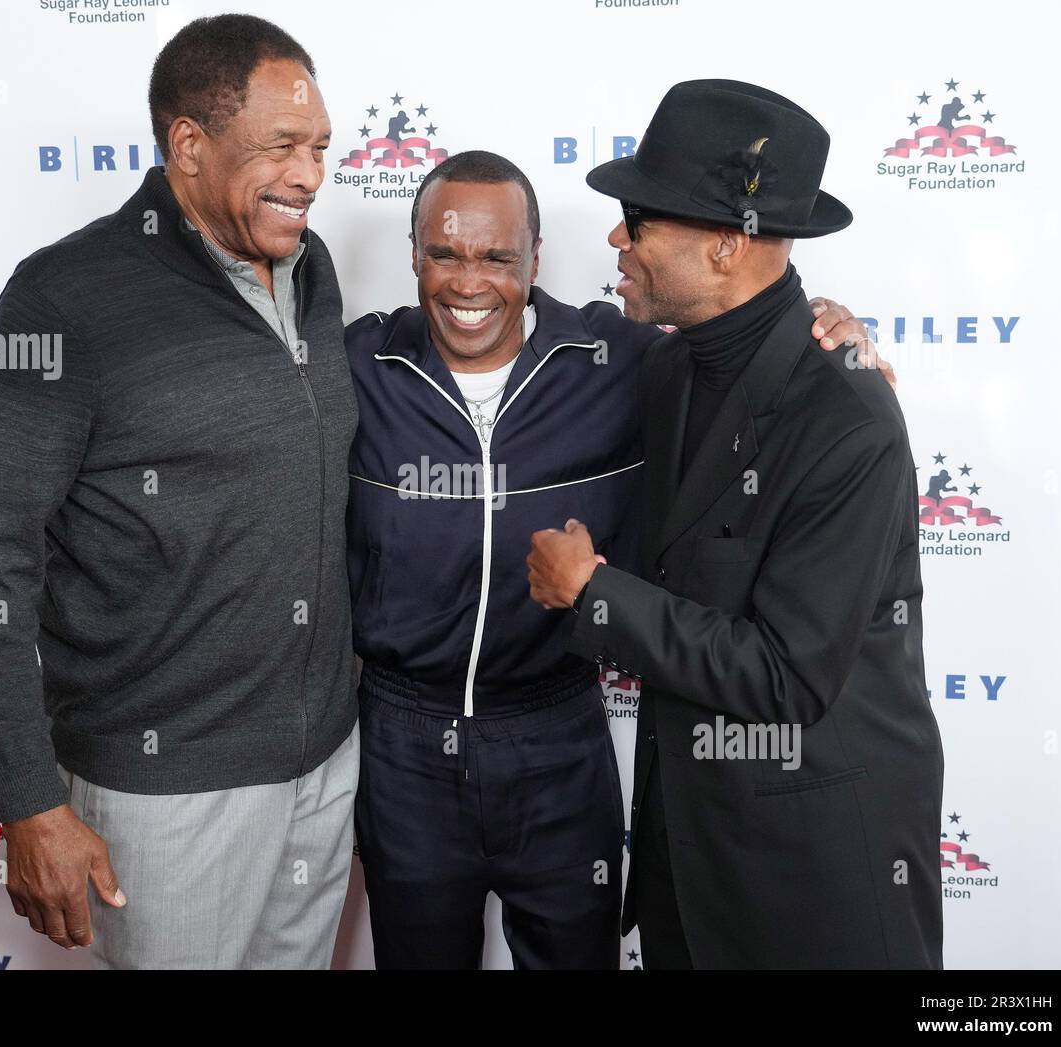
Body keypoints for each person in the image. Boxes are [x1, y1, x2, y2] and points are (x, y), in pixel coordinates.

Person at [346, 149, 872, 969]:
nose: (468, 282)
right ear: (413, 254)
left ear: (536, 258)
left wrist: (834, 335)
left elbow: (746, 347)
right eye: (443, 253)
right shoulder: (356, 368)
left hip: (557, 737)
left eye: (497, 257)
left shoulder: (620, 358)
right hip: (403, 743)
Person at [0, 15, 359, 969]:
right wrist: (31, 799)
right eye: (283, 148)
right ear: (188, 144)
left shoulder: (309, 264)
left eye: (322, 148)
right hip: (168, 791)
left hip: (326, 761)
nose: (311, 175)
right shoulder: (63, 296)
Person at [526, 79, 944, 970]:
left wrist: (591, 594)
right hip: (686, 865)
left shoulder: (848, 418)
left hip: (814, 878)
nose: (612, 239)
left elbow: (790, 675)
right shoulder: (671, 369)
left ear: (724, 248)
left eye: (635, 220)